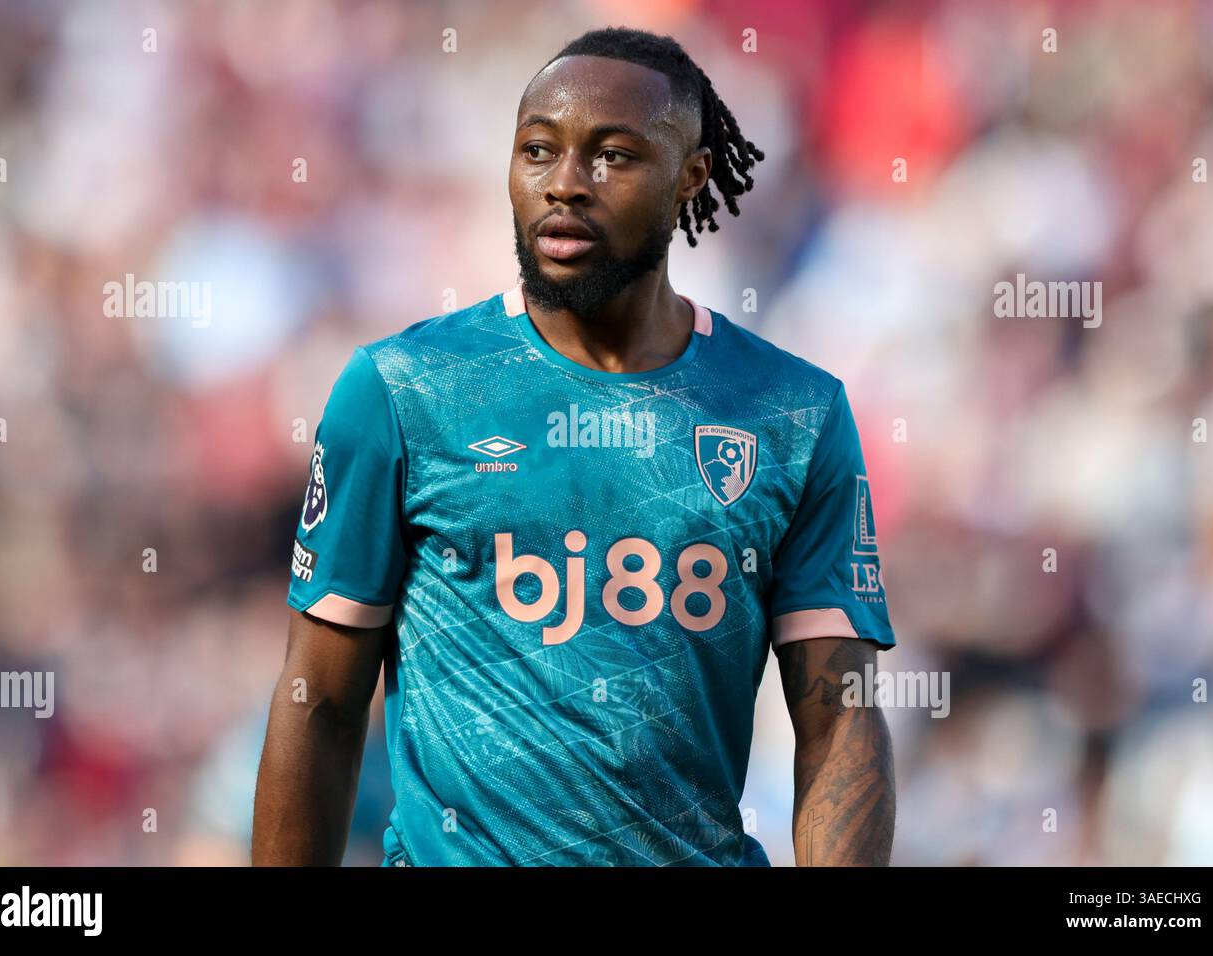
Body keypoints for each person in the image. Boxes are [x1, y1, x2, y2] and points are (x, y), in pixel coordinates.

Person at [253, 25, 896, 867]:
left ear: (690, 178)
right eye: (537, 151)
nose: (565, 184)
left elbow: (839, 715)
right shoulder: (402, 391)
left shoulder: (791, 412)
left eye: (613, 156)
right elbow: (321, 704)